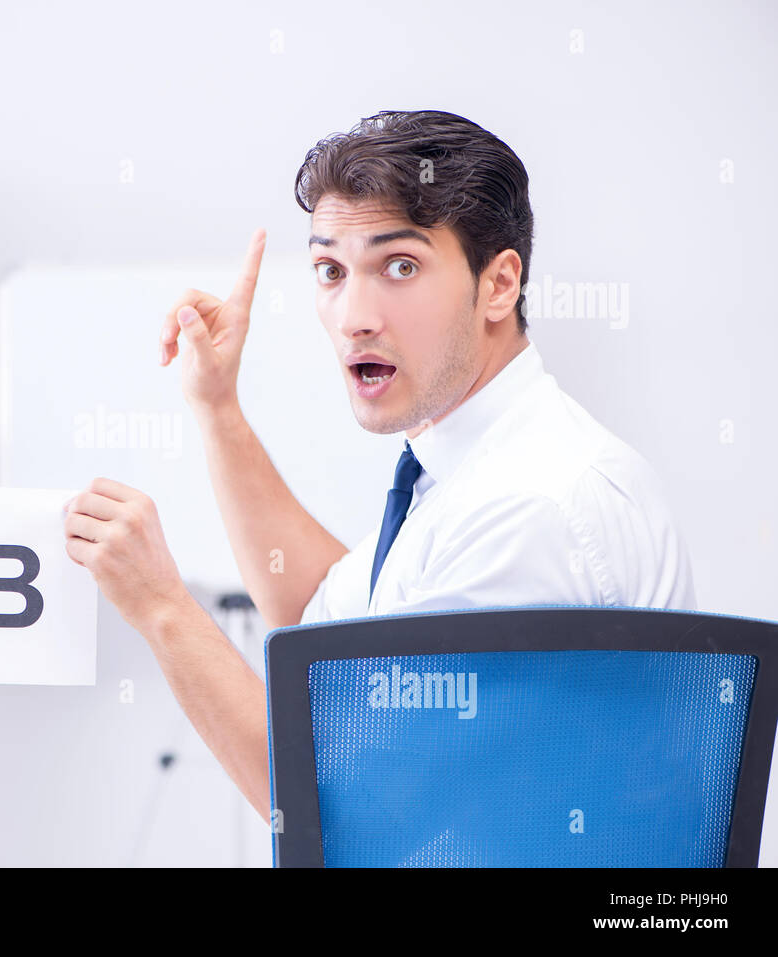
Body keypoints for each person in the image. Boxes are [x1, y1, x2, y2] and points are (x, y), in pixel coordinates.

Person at [61, 110, 695, 822]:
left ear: (499, 284)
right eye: (331, 271)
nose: (354, 315)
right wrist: (217, 406)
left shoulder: (530, 507)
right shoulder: (468, 472)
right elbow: (320, 627)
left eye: (400, 266)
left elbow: (348, 814)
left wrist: (161, 608)